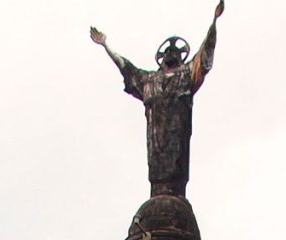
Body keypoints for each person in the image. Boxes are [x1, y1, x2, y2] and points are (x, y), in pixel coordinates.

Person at [89, 2, 224, 198]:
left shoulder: (186, 75)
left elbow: (204, 54)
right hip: (156, 141)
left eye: (174, 53)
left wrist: (214, 22)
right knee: (157, 170)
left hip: (178, 135)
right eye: (167, 53)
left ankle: (176, 197)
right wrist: (106, 46)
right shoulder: (149, 80)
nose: (170, 55)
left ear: (181, 57)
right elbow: (127, 68)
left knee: (177, 169)